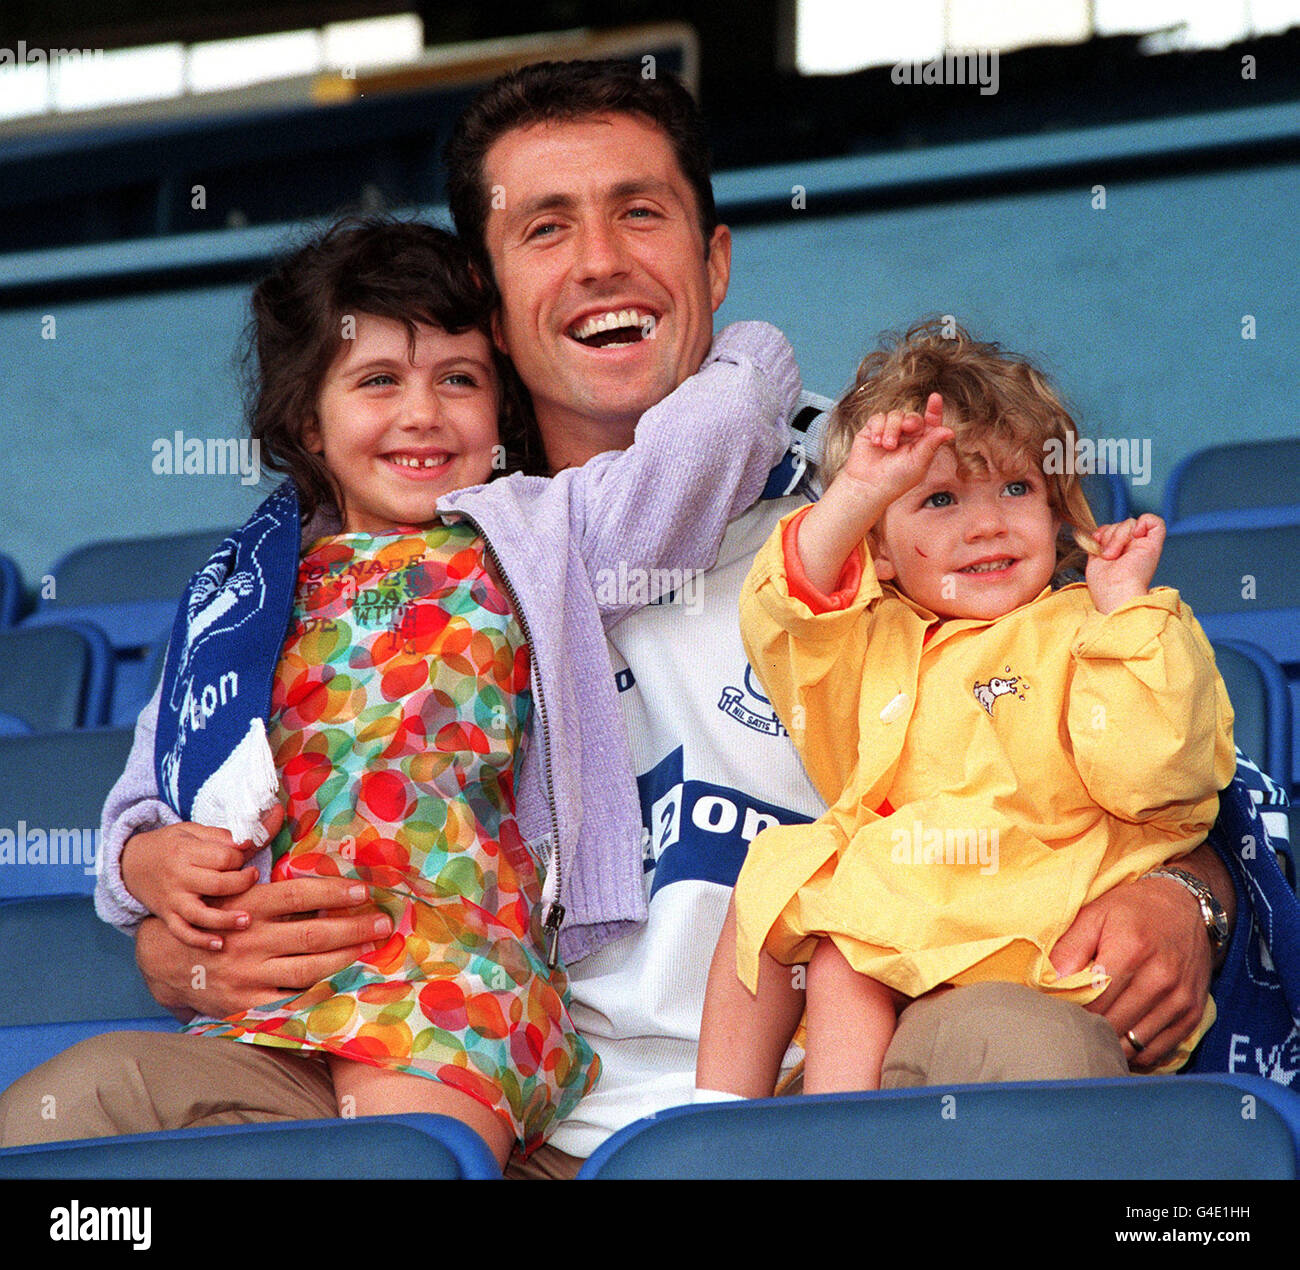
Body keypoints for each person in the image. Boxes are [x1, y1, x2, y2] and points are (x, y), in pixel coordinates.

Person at [0, 59, 1248, 1178]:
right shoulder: (342, 558)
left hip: (841, 1079)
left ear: (711, 262)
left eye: (637, 213)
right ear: (487, 298)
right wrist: (192, 936)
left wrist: (1182, 891)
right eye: (547, 227)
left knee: (1025, 1048)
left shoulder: (913, 482)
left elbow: (1145, 737)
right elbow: (175, 822)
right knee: (72, 1113)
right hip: (488, 1097)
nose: (599, 259)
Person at [0, 214, 799, 1167]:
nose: (422, 413)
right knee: (74, 1101)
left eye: (458, 379)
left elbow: (717, 436)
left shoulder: (535, 538)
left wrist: (739, 341)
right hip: (280, 1013)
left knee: (394, 1157)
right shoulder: (245, 593)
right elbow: (144, 796)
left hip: (447, 994)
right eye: (378, 381)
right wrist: (149, 864)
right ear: (308, 420)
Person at [695, 321, 1236, 1099]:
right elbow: (785, 614)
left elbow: (1157, 776)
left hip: (1041, 926)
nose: (986, 523)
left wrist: (1127, 621)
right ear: (878, 550)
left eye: (1016, 489)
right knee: (785, 891)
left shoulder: (1097, 627)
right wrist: (854, 495)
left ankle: (833, 1137)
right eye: (940, 499)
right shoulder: (868, 644)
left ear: (1057, 512)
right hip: (907, 914)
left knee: (847, 932)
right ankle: (736, 1127)